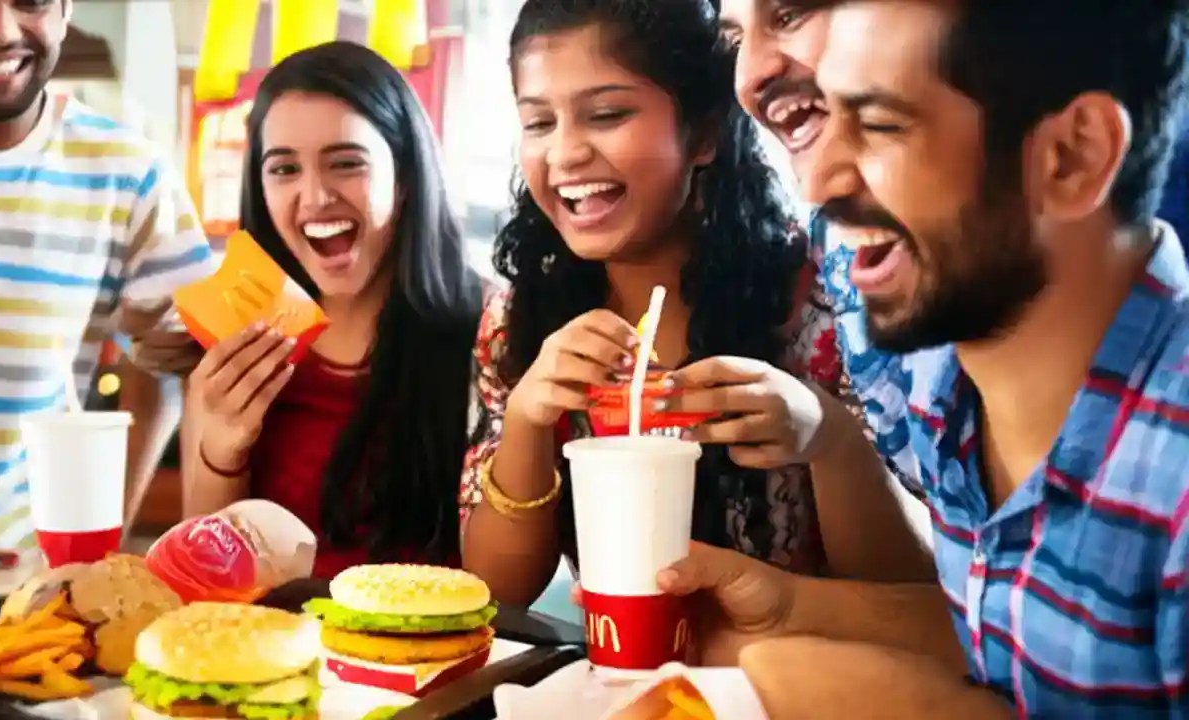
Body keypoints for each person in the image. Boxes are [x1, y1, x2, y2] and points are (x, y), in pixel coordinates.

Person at [662, 0, 1189, 716]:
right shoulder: (937, 379)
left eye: (879, 125)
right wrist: (786, 613)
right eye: (832, 115)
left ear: (1073, 156)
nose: (818, 187)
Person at [460, 0, 932, 612]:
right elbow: (498, 594)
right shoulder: (519, 324)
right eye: (539, 123)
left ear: (704, 132)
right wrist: (527, 419)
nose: (566, 153)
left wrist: (830, 440)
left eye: (606, 114)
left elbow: (919, 600)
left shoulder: (831, 307)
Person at [0, 0, 212, 550]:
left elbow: (169, 364)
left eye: (31, 3)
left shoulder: (130, 171)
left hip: (15, 577)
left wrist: (98, 539)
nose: (0, 31)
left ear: (65, 12)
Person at [182, 41, 484, 580]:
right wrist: (223, 451)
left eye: (346, 163)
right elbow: (208, 577)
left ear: (406, 177)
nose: (315, 197)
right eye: (283, 170)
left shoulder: (487, 331)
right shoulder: (232, 338)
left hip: (439, 651)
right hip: (274, 652)